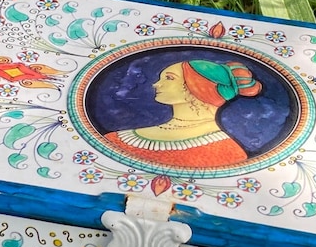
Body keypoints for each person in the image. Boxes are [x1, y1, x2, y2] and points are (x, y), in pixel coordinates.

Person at [103, 60, 261, 170]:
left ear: (199, 86)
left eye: (169, 78)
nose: (155, 84)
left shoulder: (228, 152)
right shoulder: (117, 139)